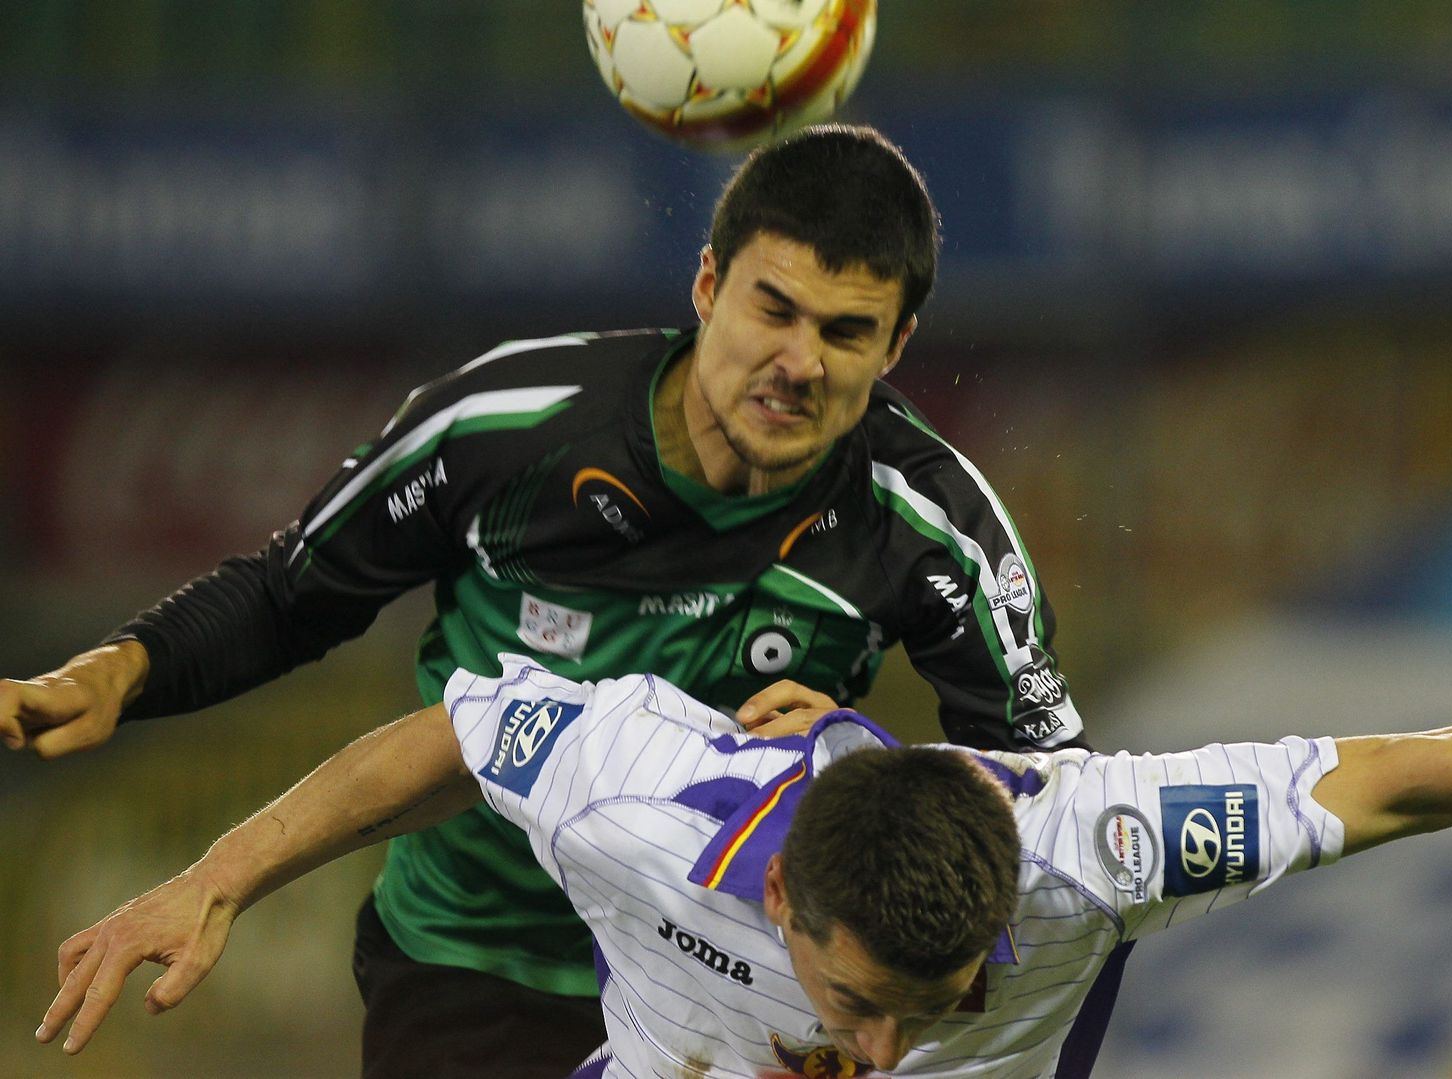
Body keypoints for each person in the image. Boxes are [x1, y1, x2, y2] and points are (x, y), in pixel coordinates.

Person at [0, 125, 1091, 1077]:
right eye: (775, 308)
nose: (799, 360)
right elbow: (295, 593)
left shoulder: (932, 526)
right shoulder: (506, 426)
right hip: (482, 962)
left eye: (847, 332)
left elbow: (1054, 802)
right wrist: (123, 670)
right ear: (709, 286)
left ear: (897, 344)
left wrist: (862, 765)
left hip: (747, 977)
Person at [39, 655, 1452, 1076]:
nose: (868, 1056)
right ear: (776, 901)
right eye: (853, 1005)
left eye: (919, 1017)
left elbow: (1419, 773)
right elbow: (446, 727)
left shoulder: (1093, 848)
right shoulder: (642, 782)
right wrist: (217, 872)